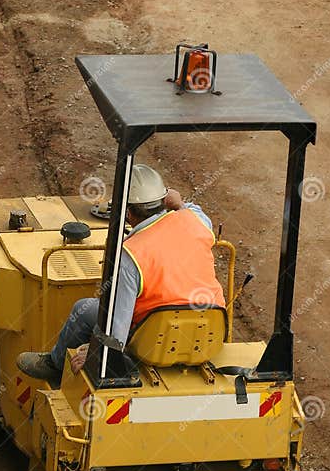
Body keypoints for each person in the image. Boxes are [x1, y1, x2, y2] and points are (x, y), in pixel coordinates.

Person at [16, 164, 225, 384]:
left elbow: (119, 322)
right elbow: (197, 213)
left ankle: (55, 365)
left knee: (83, 308)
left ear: (126, 212)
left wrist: (97, 352)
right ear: (164, 201)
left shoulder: (130, 255)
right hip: (210, 334)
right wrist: (180, 204)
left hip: (155, 340)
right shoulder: (196, 222)